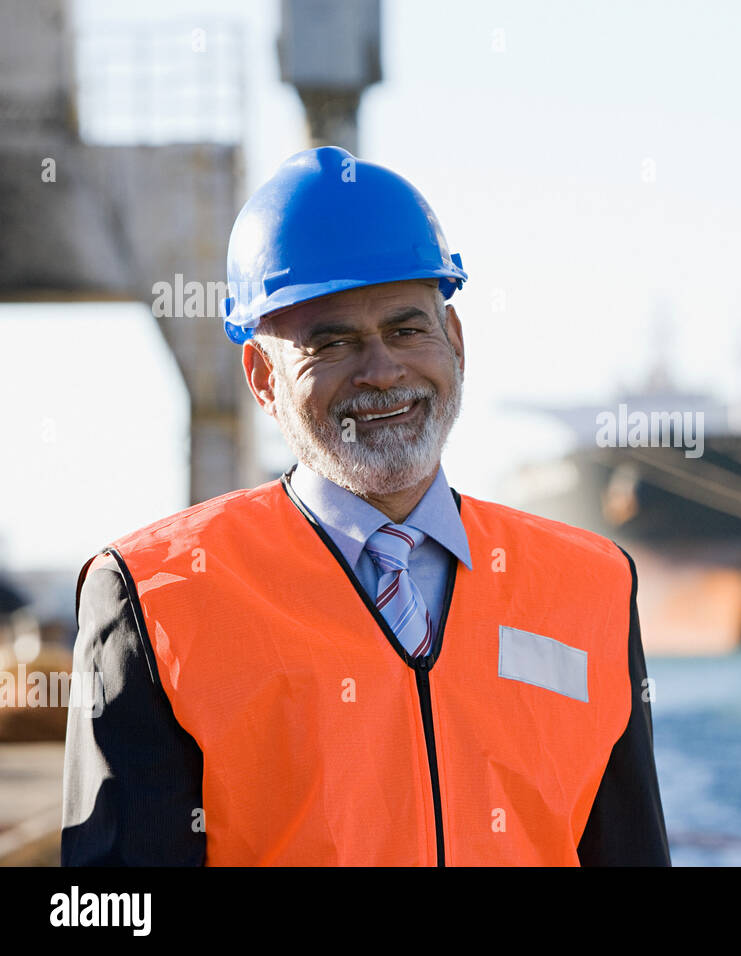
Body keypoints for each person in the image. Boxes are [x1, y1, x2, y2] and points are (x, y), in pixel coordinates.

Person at [61, 146, 671, 866]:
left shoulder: (592, 585)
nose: (382, 370)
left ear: (457, 344)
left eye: (408, 329)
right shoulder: (158, 596)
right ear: (262, 377)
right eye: (332, 341)